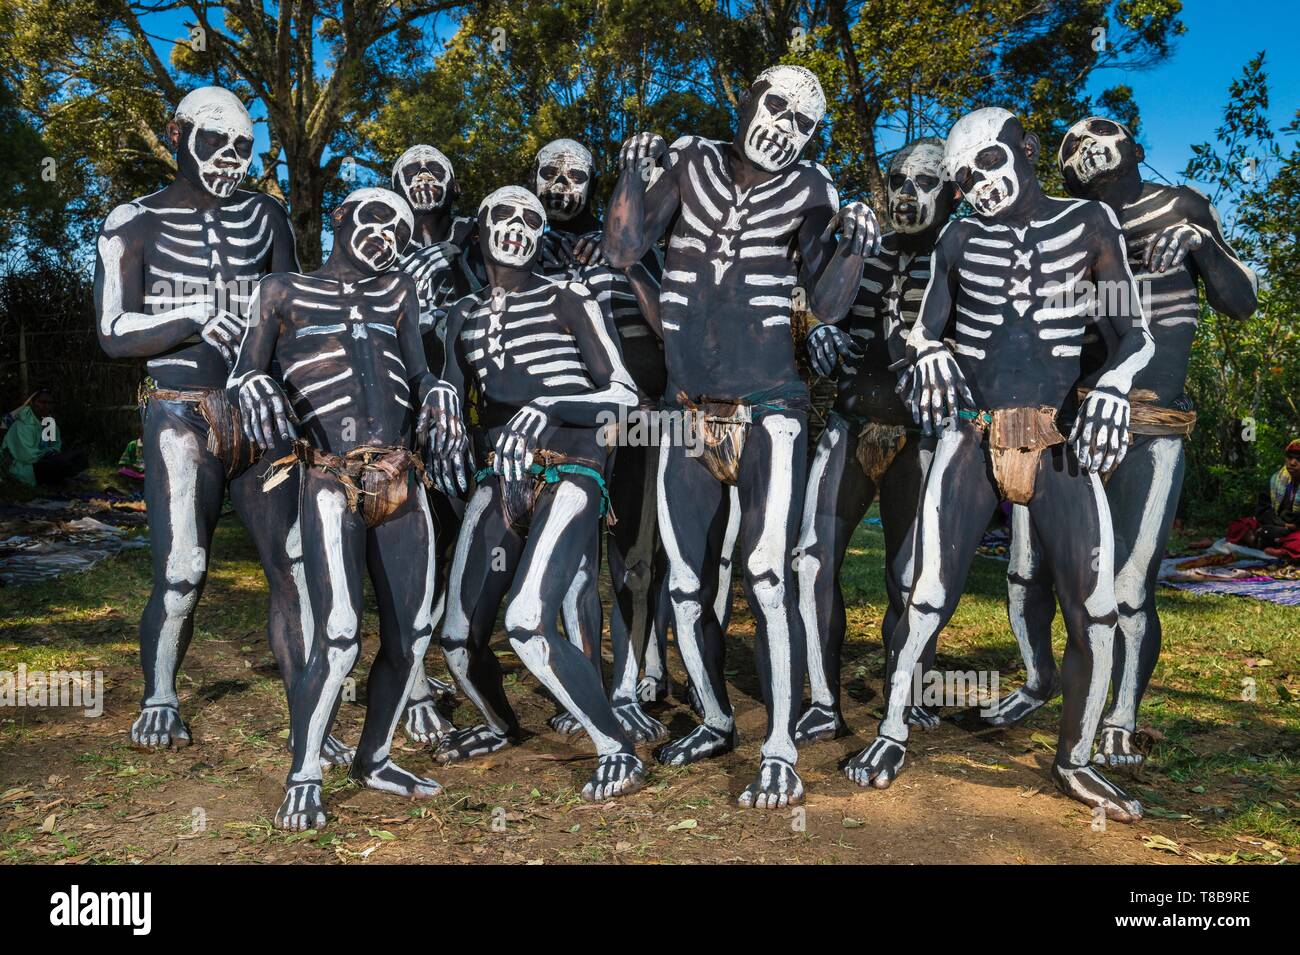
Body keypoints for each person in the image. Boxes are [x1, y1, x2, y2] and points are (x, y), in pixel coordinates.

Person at [846, 107, 1153, 822]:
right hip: (973, 434)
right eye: (963, 178)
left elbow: (1133, 334)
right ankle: (892, 728)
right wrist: (929, 356)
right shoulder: (956, 237)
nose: (976, 186)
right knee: (927, 594)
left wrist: (1109, 385)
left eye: (987, 165)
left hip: (1056, 437)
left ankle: (1074, 757)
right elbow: (924, 330)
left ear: (1027, 150)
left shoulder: (1088, 226)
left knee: (1097, 611)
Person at [605, 64, 880, 808]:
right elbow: (626, 251)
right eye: (776, 108)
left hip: (771, 408)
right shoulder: (692, 161)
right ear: (746, 98)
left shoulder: (815, 189)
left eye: (803, 123)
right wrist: (631, 174)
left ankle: (781, 745)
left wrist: (852, 245)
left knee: (766, 574)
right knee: (687, 581)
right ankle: (719, 718)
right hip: (686, 407)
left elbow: (824, 303)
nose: (784, 128)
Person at [991, 117, 1259, 772]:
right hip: (1068, 425)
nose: (1083, 147)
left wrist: (1203, 245)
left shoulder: (1182, 207)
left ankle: (1122, 714)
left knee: (1128, 587)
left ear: (1136, 144)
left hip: (1150, 427)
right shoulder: (1066, 230)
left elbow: (1243, 301)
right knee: (1027, 569)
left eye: (1099, 133)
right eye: (1068, 148)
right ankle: (1038, 680)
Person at [228, 186, 466, 831]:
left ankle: (376, 757)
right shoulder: (282, 291)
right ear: (339, 218)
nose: (386, 233)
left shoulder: (399, 294)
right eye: (375, 218)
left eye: (398, 227)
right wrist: (251, 383)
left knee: (411, 633)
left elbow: (418, 373)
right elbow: (246, 370)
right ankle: (304, 770)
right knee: (337, 633)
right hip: (330, 475)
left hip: (400, 474)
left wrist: (440, 387)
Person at [1227, 440, 1300, 560]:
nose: (1292, 463)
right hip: (1275, 524)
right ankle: (1255, 540)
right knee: (1238, 525)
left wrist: (1291, 527)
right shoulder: (1276, 480)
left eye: (1298, 459)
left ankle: (1282, 550)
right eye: (1289, 458)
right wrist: (1283, 525)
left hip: (1295, 531)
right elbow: (1262, 510)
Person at [2, 390, 88, 487]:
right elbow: (26, 456)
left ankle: (58, 479)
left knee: (81, 456)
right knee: (60, 464)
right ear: (33, 404)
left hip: (45, 459)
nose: (46, 406)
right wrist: (49, 454)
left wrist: (53, 453)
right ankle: (57, 480)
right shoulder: (23, 424)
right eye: (42, 402)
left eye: (50, 403)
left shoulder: (49, 422)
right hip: (25, 467)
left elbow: (56, 444)